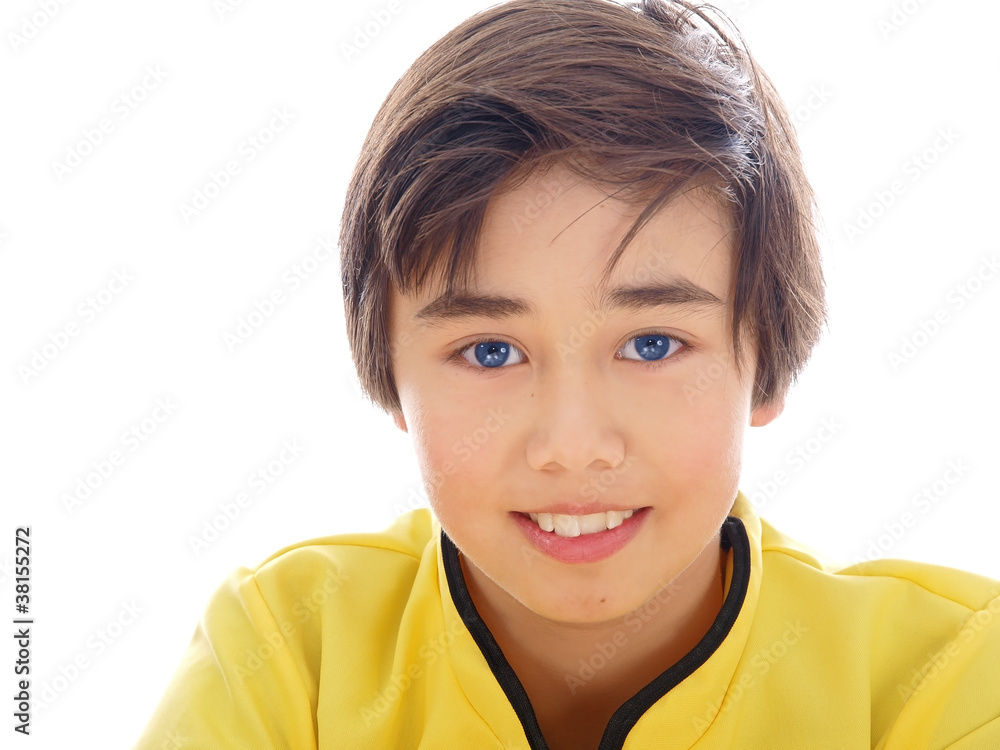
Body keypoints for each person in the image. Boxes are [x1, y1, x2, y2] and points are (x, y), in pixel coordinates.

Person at [133, 1, 1000, 747]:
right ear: (391, 375)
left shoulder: (944, 677)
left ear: (764, 358)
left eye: (653, 344)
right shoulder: (290, 656)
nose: (572, 447)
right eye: (490, 352)